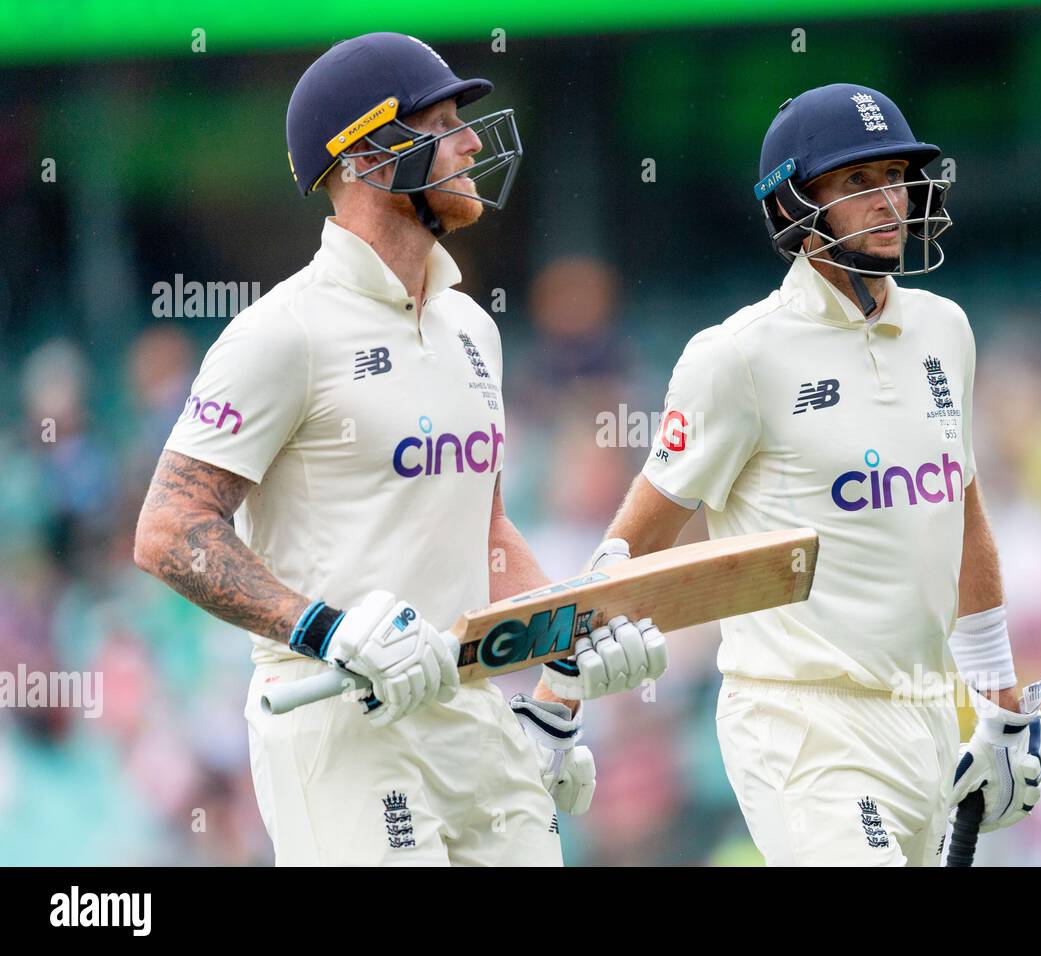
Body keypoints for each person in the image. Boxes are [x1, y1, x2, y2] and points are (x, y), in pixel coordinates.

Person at [133, 32, 666, 866]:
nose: (472, 142)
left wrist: (572, 643)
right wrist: (328, 631)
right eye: (443, 122)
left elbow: (485, 537)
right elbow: (169, 531)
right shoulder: (281, 334)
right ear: (368, 158)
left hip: (474, 714)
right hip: (340, 715)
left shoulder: (471, 328)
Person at [590, 84, 1041, 865]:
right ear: (793, 208)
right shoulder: (737, 356)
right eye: (857, 184)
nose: (890, 202)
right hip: (800, 721)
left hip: (930, 716)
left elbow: (960, 515)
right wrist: (565, 698)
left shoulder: (947, 330)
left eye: (897, 177)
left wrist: (999, 699)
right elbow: (632, 543)